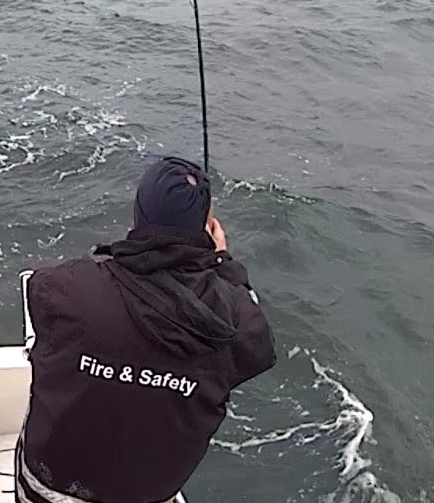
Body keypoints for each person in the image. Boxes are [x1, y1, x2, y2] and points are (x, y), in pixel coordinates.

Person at [16, 156, 275, 503]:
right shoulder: (237, 322)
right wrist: (222, 264)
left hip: (45, 492)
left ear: (139, 217)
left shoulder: (64, 287)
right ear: (207, 230)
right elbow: (257, 344)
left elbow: (37, 289)